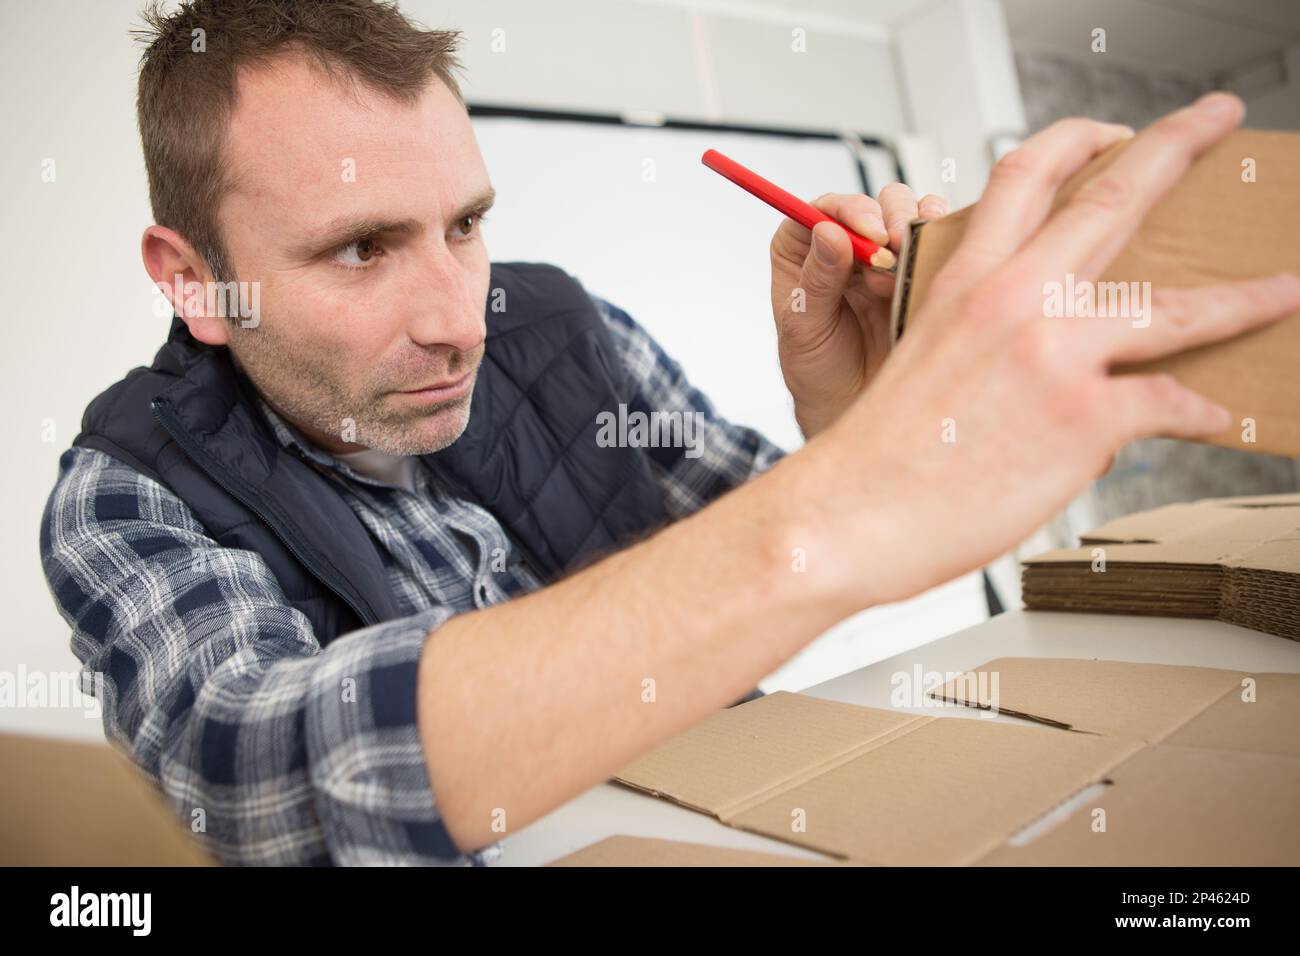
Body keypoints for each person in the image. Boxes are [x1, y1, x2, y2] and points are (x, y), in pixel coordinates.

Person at [40, 0, 1300, 865]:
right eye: (361, 247)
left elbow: (755, 540)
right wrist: (858, 488)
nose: (454, 318)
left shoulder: (555, 322)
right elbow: (266, 792)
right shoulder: (128, 486)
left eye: (463, 223)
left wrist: (846, 419)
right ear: (195, 278)